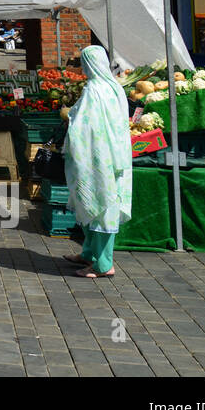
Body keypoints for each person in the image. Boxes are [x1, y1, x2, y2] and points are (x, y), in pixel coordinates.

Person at [62, 45, 131, 279]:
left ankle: (103, 265)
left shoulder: (94, 89)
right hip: (115, 157)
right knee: (98, 205)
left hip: (96, 158)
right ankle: (89, 253)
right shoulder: (115, 88)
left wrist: (69, 116)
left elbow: (83, 124)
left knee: (99, 206)